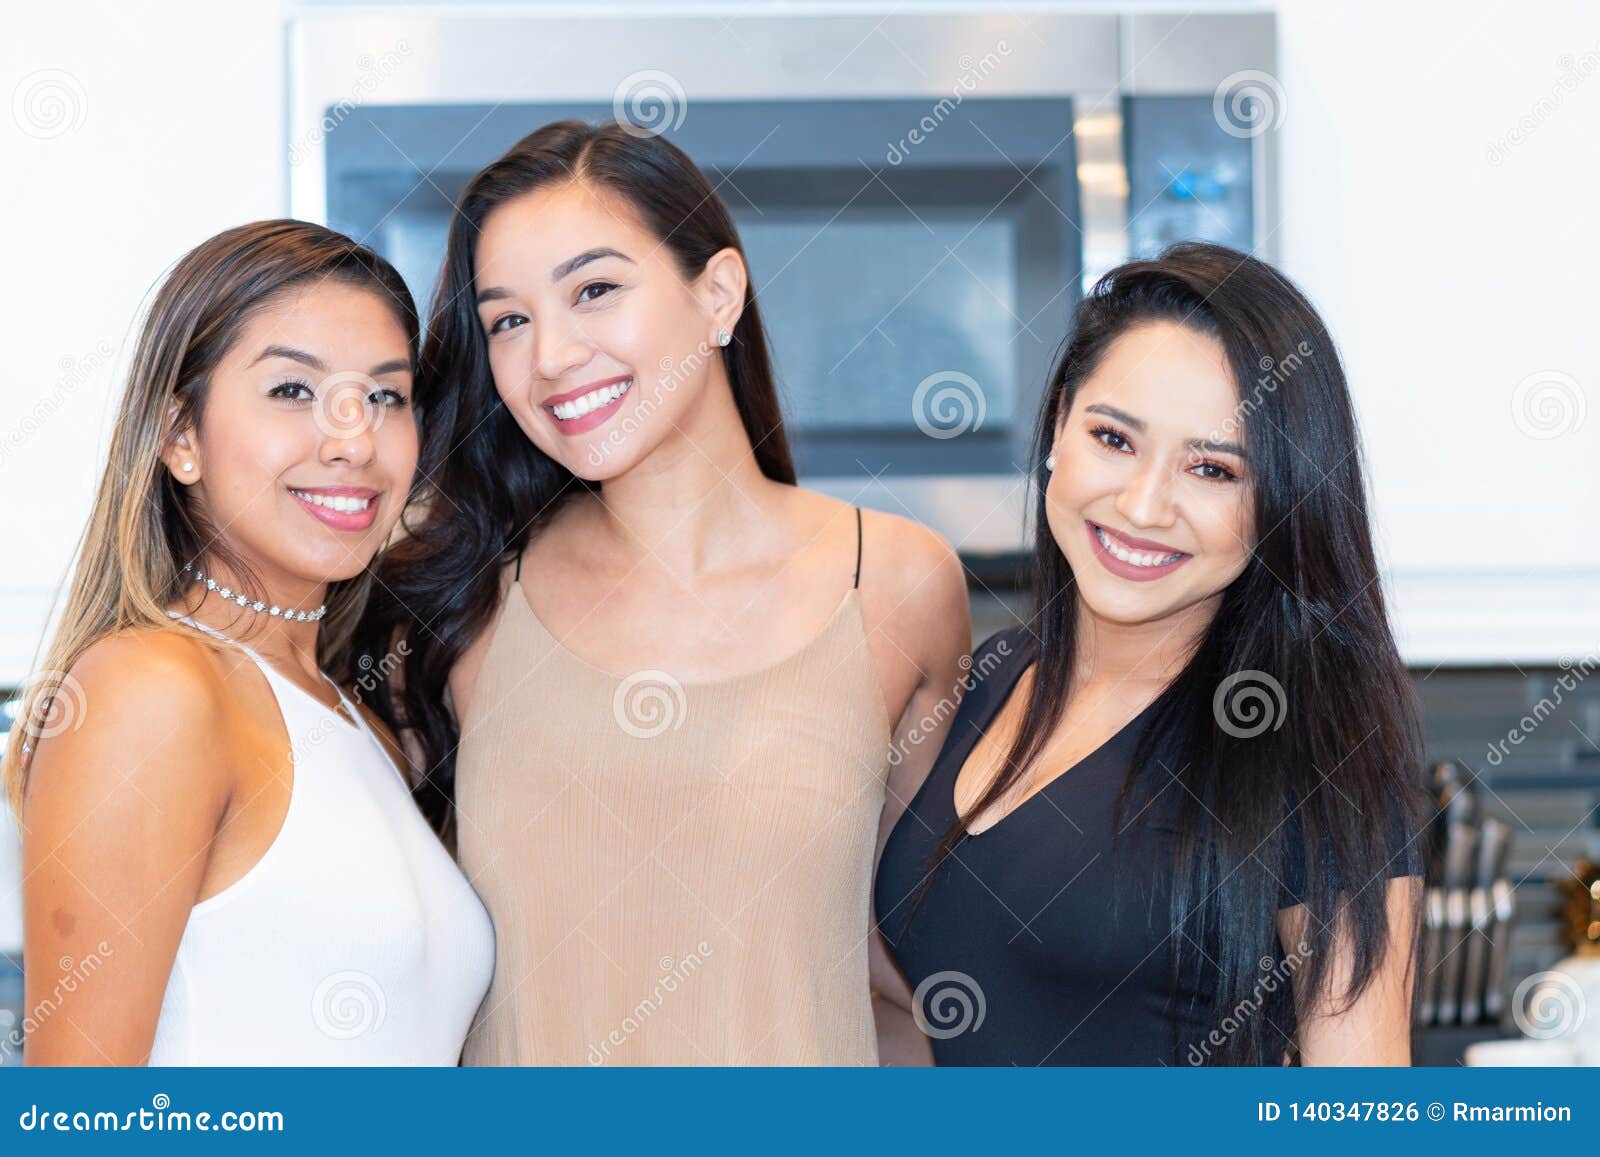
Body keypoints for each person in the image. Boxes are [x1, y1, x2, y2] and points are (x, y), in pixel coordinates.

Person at [352, 121, 971, 1065]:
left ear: (717, 292)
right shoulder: (458, 598)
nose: (550, 355)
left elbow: (913, 964)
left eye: (594, 290)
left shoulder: (895, 582)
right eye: (508, 320)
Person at [874, 243, 1427, 1065]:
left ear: (1280, 498)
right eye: (1114, 438)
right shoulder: (996, 675)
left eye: (1211, 469)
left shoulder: (1311, 749)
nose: (1142, 505)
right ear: (1060, 422)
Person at [4, 220, 493, 1065]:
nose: (353, 439)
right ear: (179, 436)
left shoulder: (353, 716)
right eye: (293, 392)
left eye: (385, 395)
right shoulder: (152, 689)